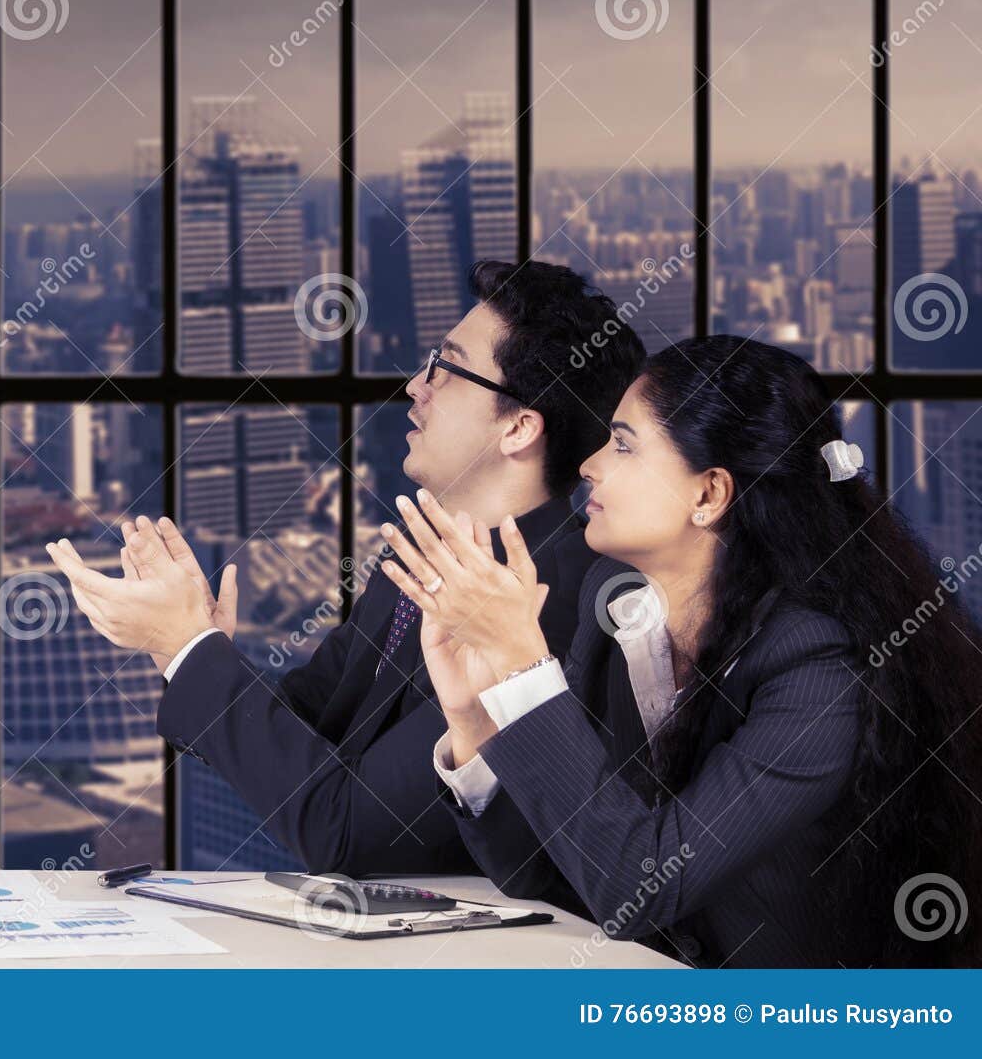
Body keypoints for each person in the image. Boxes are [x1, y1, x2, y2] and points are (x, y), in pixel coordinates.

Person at [383, 335, 982, 966]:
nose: (590, 465)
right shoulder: (617, 611)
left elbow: (642, 887)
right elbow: (552, 873)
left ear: (708, 495)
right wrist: (473, 721)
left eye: (622, 444)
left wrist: (524, 667)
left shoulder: (820, 664)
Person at [45, 261, 644, 875]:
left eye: (447, 367)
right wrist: (192, 642)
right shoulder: (419, 560)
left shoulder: (547, 608)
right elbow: (310, 720)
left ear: (518, 428)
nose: (417, 386)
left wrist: (188, 649)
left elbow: (349, 832)